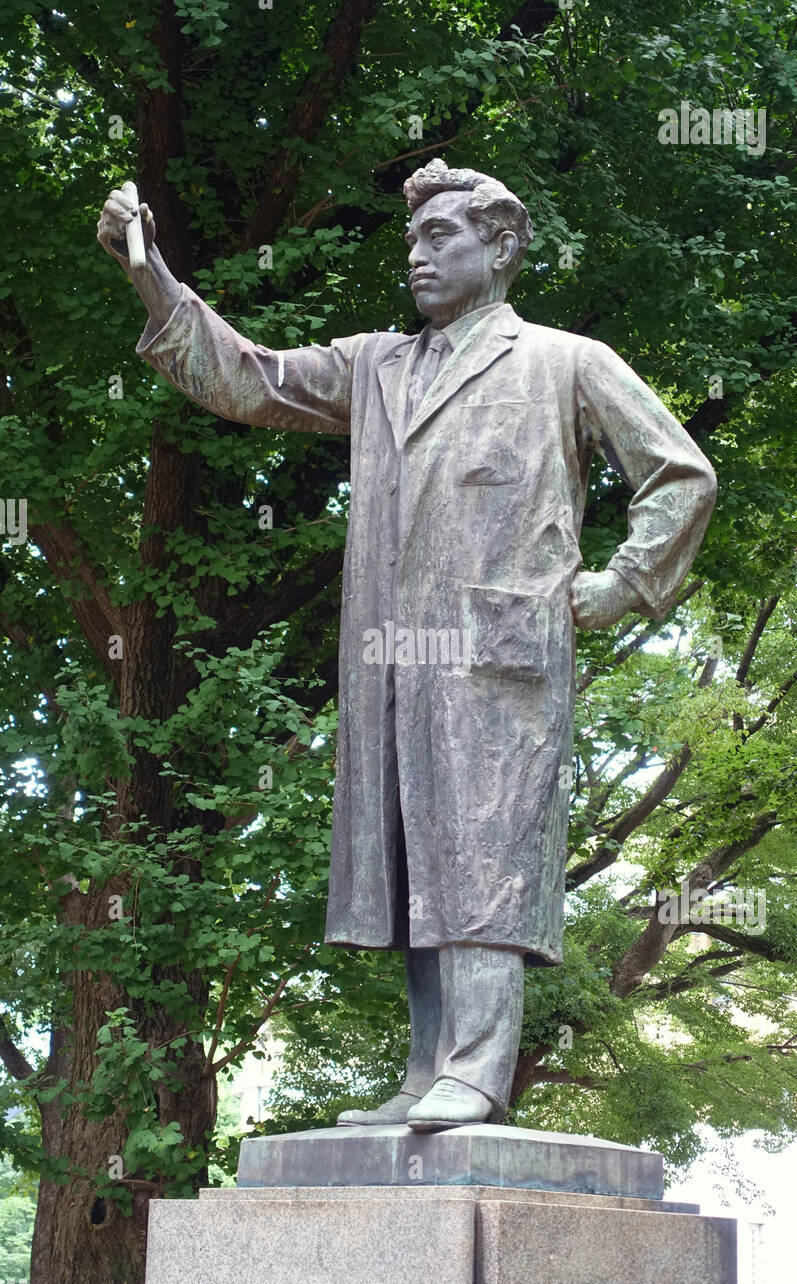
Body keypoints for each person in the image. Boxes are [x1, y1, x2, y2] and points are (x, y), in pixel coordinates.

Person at [97, 159, 716, 1132]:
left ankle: (477, 1070)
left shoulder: (565, 361)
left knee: (482, 853)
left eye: (440, 237)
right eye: (411, 242)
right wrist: (152, 278)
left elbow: (680, 474)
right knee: (414, 858)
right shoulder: (376, 366)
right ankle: (430, 1067)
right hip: (394, 658)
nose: (417, 258)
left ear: (500, 247)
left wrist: (623, 583)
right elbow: (249, 377)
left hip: (500, 657)